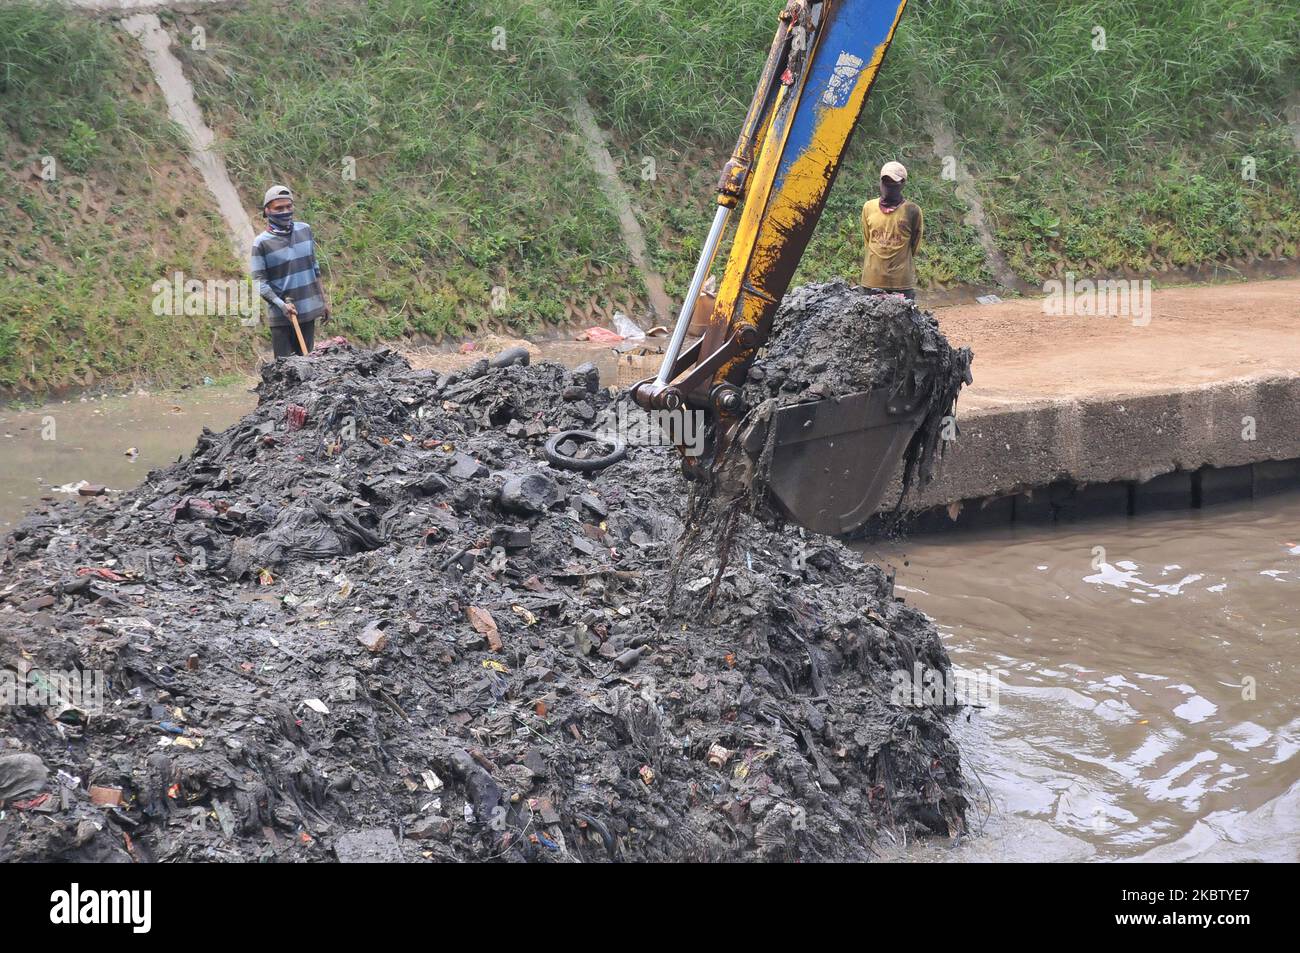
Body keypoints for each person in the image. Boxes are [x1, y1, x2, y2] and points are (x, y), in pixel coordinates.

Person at [250, 185, 329, 358]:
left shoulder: (305, 230)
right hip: (282, 317)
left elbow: (314, 267)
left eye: (289, 206)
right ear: (267, 211)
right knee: (285, 372)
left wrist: (323, 300)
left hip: (307, 312)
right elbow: (259, 283)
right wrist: (281, 305)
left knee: (306, 367)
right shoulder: (261, 243)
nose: (285, 211)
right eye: (279, 208)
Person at [860, 161, 923, 301]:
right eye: (886, 182)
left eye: (894, 183)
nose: (889, 186)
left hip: (901, 283)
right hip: (872, 281)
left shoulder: (912, 211)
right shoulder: (868, 207)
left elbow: (915, 244)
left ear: (903, 184)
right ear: (880, 182)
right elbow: (867, 239)